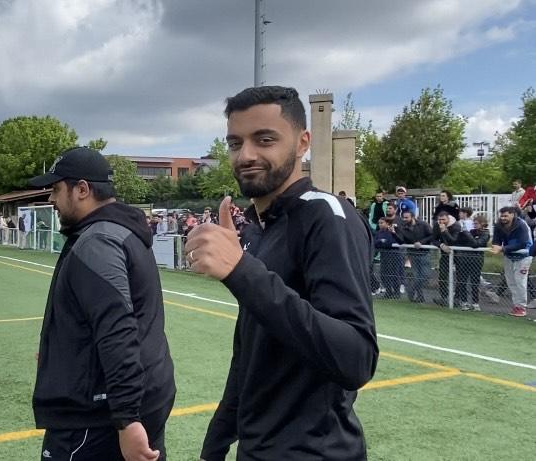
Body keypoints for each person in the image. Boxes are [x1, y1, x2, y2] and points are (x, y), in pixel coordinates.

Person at [184, 86, 377, 460]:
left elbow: (356, 358)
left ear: (303, 143)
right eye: (235, 143)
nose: (246, 155)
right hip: (258, 448)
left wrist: (241, 270)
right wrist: (217, 443)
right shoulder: (261, 228)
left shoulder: (326, 216)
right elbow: (251, 354)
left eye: (265, 139)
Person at [28, 146, 176, 461]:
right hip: (135, 397)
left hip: (96, 415)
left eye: (56, 189)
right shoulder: (123, 231)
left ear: (82, 189)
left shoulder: (98, 241)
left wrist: (126, 418)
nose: (51, 200)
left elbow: (117, 330)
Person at [490, 207, 533, 317]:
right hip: (509, 256)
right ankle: (516, 305)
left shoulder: (521, 225)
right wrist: (496, 246)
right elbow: (496, 240)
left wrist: (503, 249)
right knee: (510, 281)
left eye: (506, 216)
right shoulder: (499, 225)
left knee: (520, 281)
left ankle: (521, 307)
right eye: (502, 216)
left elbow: (523, 243)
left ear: (512, 215)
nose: (503, 218)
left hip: (524, 255)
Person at [431, 213, 471, 306]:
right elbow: (433, 239)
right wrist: (441, 245)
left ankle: (458, 298)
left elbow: (453, 240)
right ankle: (445, 297)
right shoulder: (437, 225)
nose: (441, 222)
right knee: (443, 275)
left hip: (459, 253)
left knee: (460, 276)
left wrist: (445, 231)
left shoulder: (456, 225)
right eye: (439, 220)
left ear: (448, 219)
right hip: (445, 253)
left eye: (443, 219)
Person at [395, 210, 433, 303]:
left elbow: (432, 236)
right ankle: (420, 297)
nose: (405, 219)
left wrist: (421, 242)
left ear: (412, 217)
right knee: (417, 275)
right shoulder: (403, 227)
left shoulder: (423, 224)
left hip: (424, 253)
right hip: (412, 254)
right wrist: (394, 233)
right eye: (403, 217)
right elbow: (401, 241)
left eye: (407, 217)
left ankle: (411, 289)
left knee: (425, 275)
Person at [463, 214, 490, 311]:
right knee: (463, 281)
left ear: (483, 224)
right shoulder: (472, 232)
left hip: (477, 259)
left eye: (476, 223)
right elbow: (467, 242)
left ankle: (475, 303)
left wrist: (468, 235)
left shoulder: (486, 233)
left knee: (474, 282)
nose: (474, 225)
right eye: (474, 223)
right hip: (466, 258)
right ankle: (464, 302)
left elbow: (476, 244)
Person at [374, 218, 402, 299]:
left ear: (387, 223)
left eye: (382, 223)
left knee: (394, 274)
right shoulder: (379, 232)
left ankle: (396, 293)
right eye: (379, 223)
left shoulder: (393, 231)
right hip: (384, 255)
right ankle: (388, 291)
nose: (380, 224)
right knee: (384, 274)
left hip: (394, 255)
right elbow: (375, 242)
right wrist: (381, 241)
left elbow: (391, 242)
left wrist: (383, 242)